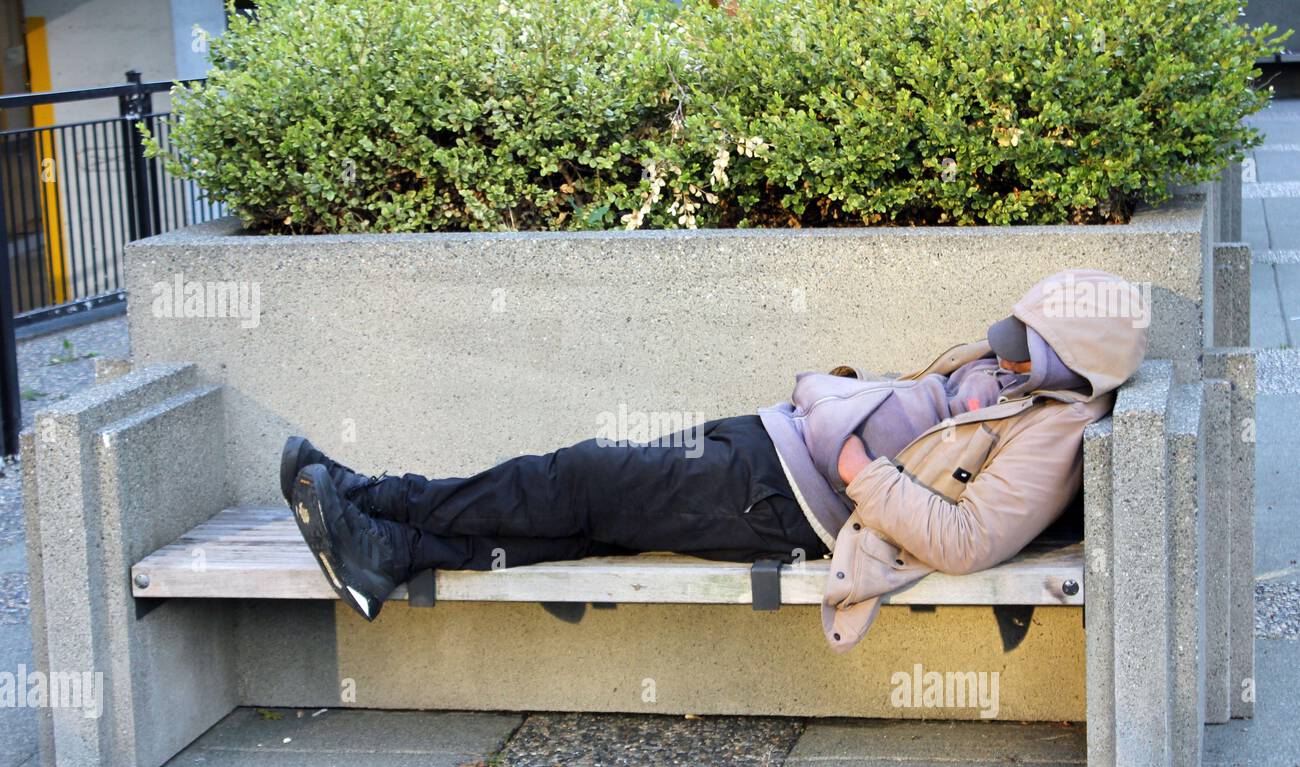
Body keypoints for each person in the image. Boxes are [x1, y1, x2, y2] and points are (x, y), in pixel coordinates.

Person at [284, 268, 1146, 650]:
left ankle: (384, 504)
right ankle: (386, 541)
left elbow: (965, 542)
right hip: (769, 445)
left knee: (582, 479)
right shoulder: (1016, 380)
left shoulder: (1056, 434)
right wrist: (827, 396)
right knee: (586, 514)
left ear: (1073, 360)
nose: (1007, 351)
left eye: (1029, 344)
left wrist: (849, 463)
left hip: (786, 500)